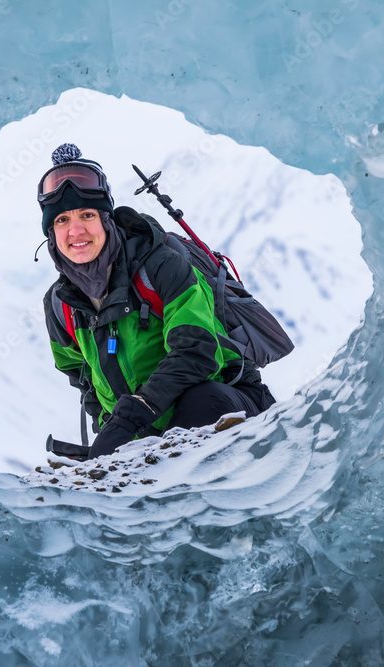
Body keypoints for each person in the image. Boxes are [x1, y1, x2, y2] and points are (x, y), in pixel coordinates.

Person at [39, 143, 275, 459]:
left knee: (203, 404)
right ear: (51, 232)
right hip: (145, 433)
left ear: (106, 220)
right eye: (61, 221)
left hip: (226, 402)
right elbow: (78, 371)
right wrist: (107, 424)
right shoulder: (60, 304)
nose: (76, 230)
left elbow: (197, 350)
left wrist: (134, 411)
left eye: (87, 215)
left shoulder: (162, 266)